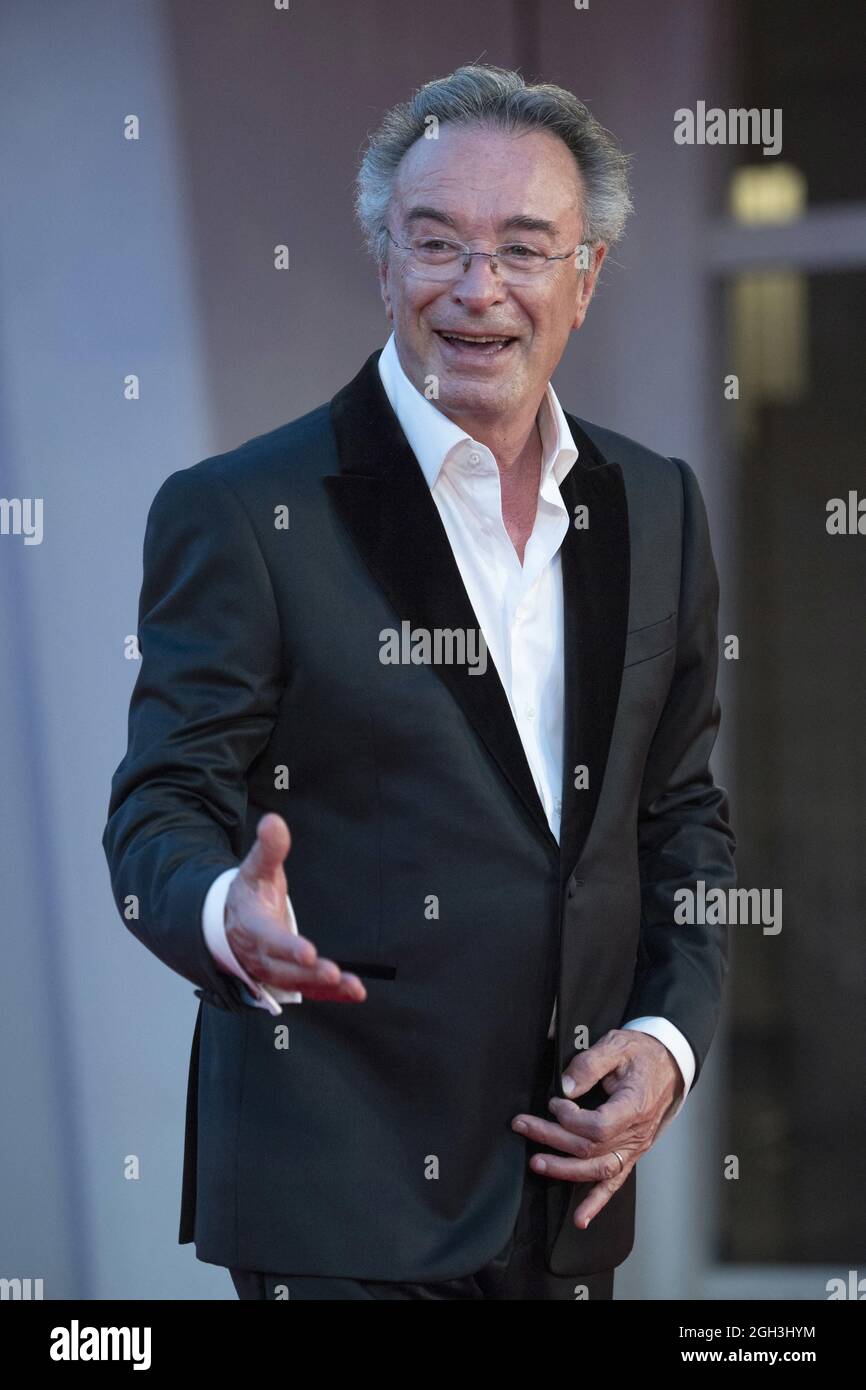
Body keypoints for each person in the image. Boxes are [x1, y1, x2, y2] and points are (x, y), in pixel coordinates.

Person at [103, 63, 736, 1301]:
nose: (475, 288)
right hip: (336, 1191)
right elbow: (157, 810)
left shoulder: (655, 503)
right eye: (434, 242)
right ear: (382, 261)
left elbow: (681, 817)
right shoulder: (242, 512)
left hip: (566, 1193)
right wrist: (226, 910)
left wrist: (667, 1042)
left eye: (520, 249)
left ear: (586, 277)